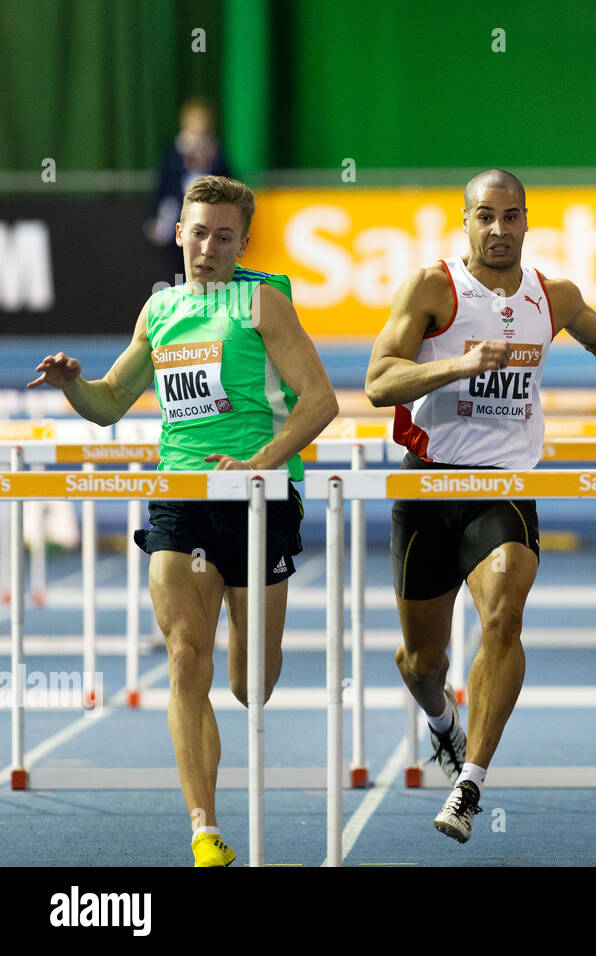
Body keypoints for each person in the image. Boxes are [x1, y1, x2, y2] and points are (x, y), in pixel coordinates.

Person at [365, 169, 596, 844]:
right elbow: (379, 382)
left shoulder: (550, 296)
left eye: (510, 216)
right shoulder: (432, 288)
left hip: (504, 484)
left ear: (527, 221)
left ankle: (470, 782)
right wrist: (456, 366)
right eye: (484, 217)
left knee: (503, 612)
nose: (497, 229)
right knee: (422, 663)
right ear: (465, 223)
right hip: (428, 487)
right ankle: (444, 723)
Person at [29, 175, 338, 866]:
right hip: (180, 497)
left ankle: (246, 667)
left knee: (248, 681)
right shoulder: (160, 309)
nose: (208, 247)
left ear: (243, 242)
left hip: (258, 499)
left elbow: (320, 401)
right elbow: (111, 401)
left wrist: (260, 462)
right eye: (198, 233)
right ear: (179, 233)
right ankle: (205, 831)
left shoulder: (263, 302)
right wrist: (74, 383)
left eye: (224, 236)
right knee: (183, 656)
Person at [147, 97, 233, 283]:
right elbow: (163, 187)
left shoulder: (216, 153)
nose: (198, 125)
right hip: (179, 219)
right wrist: (156, 217)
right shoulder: (173, 152)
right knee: (179, 268)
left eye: (202, 120)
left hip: (209, 219)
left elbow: (228, 182)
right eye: (194, 120)